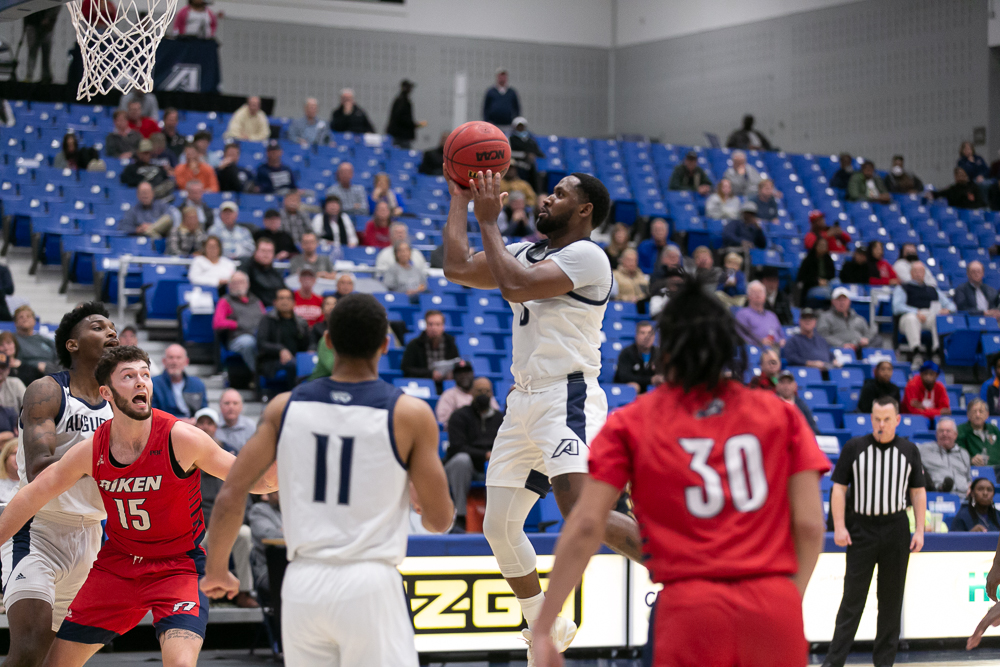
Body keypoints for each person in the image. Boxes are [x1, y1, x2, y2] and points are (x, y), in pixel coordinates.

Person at [530, 276, 827, 667]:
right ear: (727, 346)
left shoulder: (632, 422)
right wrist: (788, 599)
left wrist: (543, 626)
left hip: (691, 610)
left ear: (665, 349)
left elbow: (586, 523)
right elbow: (809, 526)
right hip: (773, 605)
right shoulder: (781, 415)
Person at [443, 170, 643, 664]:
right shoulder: (527, 251)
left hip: (567, 396)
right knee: (499, 528)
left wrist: (487, 221)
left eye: (560, 194)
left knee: (579, 510)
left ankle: (685, 567)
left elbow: (515, 287)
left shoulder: (589, 256)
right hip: (524, 400)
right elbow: (454, 267)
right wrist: (459, 201)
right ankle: (544, 621)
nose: (546, 197)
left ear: (583, 211)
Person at [202, 292, 455, 664]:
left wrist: (217, 569)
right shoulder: (410, 413)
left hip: (303, 584)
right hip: (369, 583)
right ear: (386, 345)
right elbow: (439, 520)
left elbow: (231, 494)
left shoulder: (283, 407)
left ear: (328, 341)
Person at [0, 345, 277, 666]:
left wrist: (291, 462)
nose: (141, 382)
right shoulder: (93, 449)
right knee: (53, 663)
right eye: (128, 376)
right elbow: (32, 494)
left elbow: (257, 482)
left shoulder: (181, 437)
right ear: (106, 392)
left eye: (145, 375)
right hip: (119, 567)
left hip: (178, 567)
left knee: (180, 663)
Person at [0, 303, 118, 667]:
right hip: (39, 531)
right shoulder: (48, 391)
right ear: (73, 344)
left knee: (60, 660)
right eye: (99, 327)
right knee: (30, 648)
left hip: (92, 539)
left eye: (113, 328)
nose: (111, 333)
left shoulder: (121, 404)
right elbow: (39, 468)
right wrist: (101, 461)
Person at [823, 396, 925, 667]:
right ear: (871, 419)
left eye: (887, 419)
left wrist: (920, 530)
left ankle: (884, 664)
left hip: (896, 529)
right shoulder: (854, 447)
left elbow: (917, 492)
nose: (881, 424)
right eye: (876, 419)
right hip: (861, 529)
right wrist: (840, 525)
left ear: (897, 420)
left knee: (890, 604)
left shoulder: (909, 450)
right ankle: (833, 662)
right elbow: (839, 489)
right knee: (852, 600)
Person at [192, 407, 258, 609]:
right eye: (201, 423)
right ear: (195, 426)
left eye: (209, 423)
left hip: (226, 522)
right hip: (199, 524)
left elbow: (240, 493)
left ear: (216, 427)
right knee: (198, 539)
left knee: (245, 534)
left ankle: (244, 592)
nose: (205, 427)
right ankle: (202, 595)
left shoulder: (228, 454)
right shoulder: (187, 456)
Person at [445, 376, 504, 533]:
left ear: (492, 393)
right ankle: (460, 517)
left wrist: (492, 456)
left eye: (487, 391)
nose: (483, 394)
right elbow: (457, 447)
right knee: (462, 460)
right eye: (479, 391)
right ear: (471, 392)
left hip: (491, 466)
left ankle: (502, 520)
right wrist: (485, 454)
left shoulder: (500, 418)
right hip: (462, 468)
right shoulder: (459, 416)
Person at [893, 261, 955, 355]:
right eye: (915, 271)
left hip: (928, 316)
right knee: (911, 319)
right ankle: (916, 351)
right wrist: (915, 312)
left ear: (925, 273)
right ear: (911, 273)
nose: (918, 274)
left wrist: (948, 310)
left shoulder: (932, 289)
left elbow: (951, 305)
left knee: (938, 318)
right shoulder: (903, 288)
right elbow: (897, 307)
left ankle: (937, 351)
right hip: (908, 317)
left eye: (921, 271)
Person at [256, 289, 309, 391]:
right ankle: (293, 397)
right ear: (275, 302)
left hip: (297, 358)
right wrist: (280, 350)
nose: (285, 301)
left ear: (294, 303)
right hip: (272, 361)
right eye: (281, 298)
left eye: (288, 298)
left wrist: (311, 349)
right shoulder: (267, 319)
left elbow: (308, 343)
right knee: (293, 365)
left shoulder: (301, 322)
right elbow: (261, 343)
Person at [212, 272, 265, 374]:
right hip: (237, 338)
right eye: (234, 282)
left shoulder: (256, 301)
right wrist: (238, 324)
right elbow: (217, 323)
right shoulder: (225, 301)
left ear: (248, 284)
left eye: (241, 282)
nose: (238, 285)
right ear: (229, 285)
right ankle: (258, 375)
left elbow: (265, 319)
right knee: (248, 342)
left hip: (258, 335)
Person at [401, 310, 458, 391]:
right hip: (422, 385)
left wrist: (451, 374)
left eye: (438, 324)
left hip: (445, 386)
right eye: (430, 324)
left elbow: (457, 364)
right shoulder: (414, 344)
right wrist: (430, 374)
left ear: (443, 326)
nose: (434, 328)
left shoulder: (450, 343)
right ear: (426, 326)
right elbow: (406, 368)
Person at [151, 344, 207, 422]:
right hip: (165, 429)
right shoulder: (153, 384)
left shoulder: (197, 384)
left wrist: (197, 420)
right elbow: (153, 415)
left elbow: (204, 412)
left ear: (186, 361)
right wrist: (179, 421)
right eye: (171, 357)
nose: (175, 361)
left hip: (194, 428)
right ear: (164, 361)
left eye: (178, 358)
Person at [918, 418, 970, 496]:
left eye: (948, 431)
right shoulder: (925, 449)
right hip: (938, 495)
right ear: (936, 434)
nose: (944, 434)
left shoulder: (964, 453)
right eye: (941, 431)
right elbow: (907, 449)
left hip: (963, 496)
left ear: (955, 435)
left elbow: (969, 479)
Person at [14, 305, 60, 381]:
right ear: (15, 322)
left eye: (28, 316)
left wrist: (49, 367)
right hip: (28, 374)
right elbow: (15, 362)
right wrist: (36, 365)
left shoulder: (43, 339)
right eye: (21, 317)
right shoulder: (14, 340)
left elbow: (59, 356)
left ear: (34, 321)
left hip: (52, 372)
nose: (25, 318)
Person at [736, 281, 785, 347]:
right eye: (754, 292)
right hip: (756, 351)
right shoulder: (742, 314)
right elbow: (740, 337)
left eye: (760, 292)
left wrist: (782, 341)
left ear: (765, 296)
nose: (758, 294)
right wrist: (759, 342)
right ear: (748, 296)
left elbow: (782, 336)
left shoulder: (772, 315)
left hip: (776, 349)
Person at [239, 239, 285, 309]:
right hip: (252, 308)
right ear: (255, 252)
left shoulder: (275, 273)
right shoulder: (247, 267)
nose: (266, 254)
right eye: (263, 251)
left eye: (269, 251)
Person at [613, 321, 657, 393]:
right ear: (636, 335)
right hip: (629, 391)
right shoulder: (627, 353)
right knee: (633, 387)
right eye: (643, 333)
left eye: (650, 333)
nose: (647, 336)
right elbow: (624, 377)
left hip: (650, 391)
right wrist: (650, 380)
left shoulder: (657, 353)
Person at [22, 7, 60, 84]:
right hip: (32, 22)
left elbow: (56, 5)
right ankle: (29, 75)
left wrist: (49, 18)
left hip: (46, 24)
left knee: (46, 51)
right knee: (32, 51)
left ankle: (46, 76)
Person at [958, 398, 1000, 466]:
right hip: (973, 471)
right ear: (968, 415)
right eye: (974, 411)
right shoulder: (961, 431)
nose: (977, 415)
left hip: (997, 471)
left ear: (987, 414)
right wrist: (970, 460)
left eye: (981, 411)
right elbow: (956, 455)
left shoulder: (994, 429)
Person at [775, 369, 819, 433]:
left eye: (789, 382)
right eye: (782, 382)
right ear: (777, 386)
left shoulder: (801, 405)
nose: (786, 386)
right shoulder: (772, 404)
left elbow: (813, 429)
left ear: (795, 385)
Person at [796, 237, 835, 306]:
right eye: (821, 245)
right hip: (812, 286)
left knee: (836, 282)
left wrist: (825, 281)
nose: (822, 248)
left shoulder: (828, 259)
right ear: (816, 246)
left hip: (827, 284)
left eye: (824, 246)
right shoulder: (808, 260)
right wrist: (818, 281)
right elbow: (802, 277)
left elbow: (832, 275)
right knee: (827, 292)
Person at [386, 79, 425, 149]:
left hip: (400, 135)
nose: (411, 90)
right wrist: (414, 125)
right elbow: (401, 118)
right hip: (401, 136)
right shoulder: (402, 102)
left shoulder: (401, 100)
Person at [0, 437, 19, 503]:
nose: (18, 457)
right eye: (14, 453)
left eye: (22, 454)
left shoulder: (32, 483)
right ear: (5, 458)